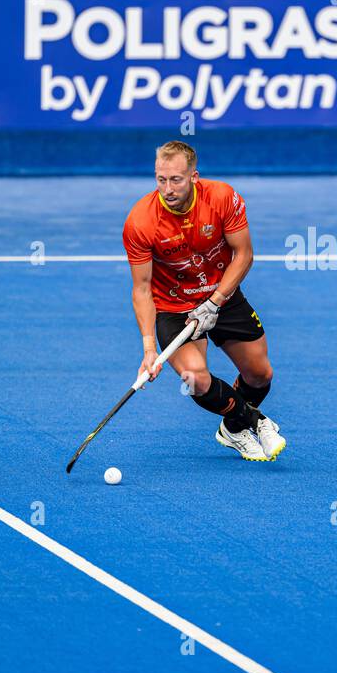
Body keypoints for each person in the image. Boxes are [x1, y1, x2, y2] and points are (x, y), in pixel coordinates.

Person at [123, 142, 286, 463]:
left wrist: (215, 301)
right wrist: (148, 350)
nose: (167, 189)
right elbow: (141, 288)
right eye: (160, 180)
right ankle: (255, 422)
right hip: (173, 308)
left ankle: (233, 428)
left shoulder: (222, 197)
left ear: (194, 177)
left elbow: (244, 254)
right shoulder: (141, 222)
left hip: (221, 296)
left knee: (259, 374)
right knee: (195, 379)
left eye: (176, 180)